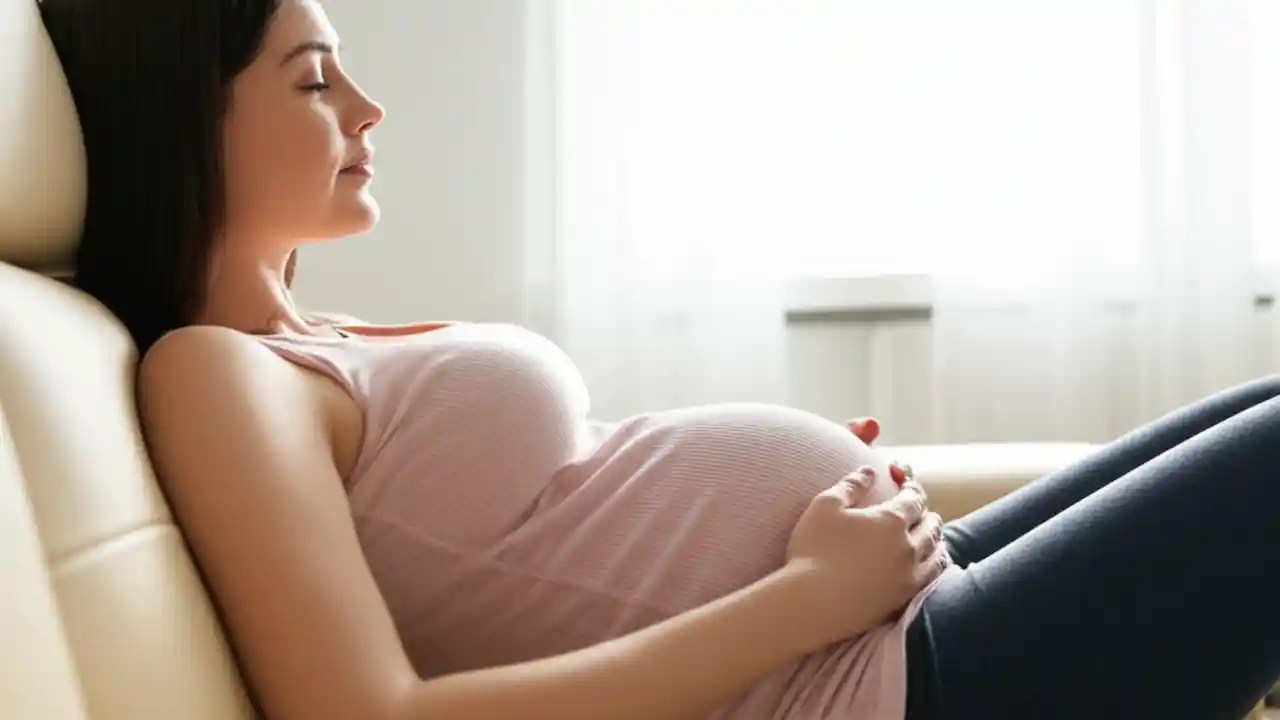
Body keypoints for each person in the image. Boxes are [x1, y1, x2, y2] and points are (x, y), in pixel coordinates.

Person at [38, 1, 1278, 719]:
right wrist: (805, 592)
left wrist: (781, 509)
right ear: (180, 121)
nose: (367, 107)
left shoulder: (311, 341)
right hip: (881, 685)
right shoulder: (210, 373)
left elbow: (551, 546)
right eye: (314, 81)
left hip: (889, 618)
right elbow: (373, 714)